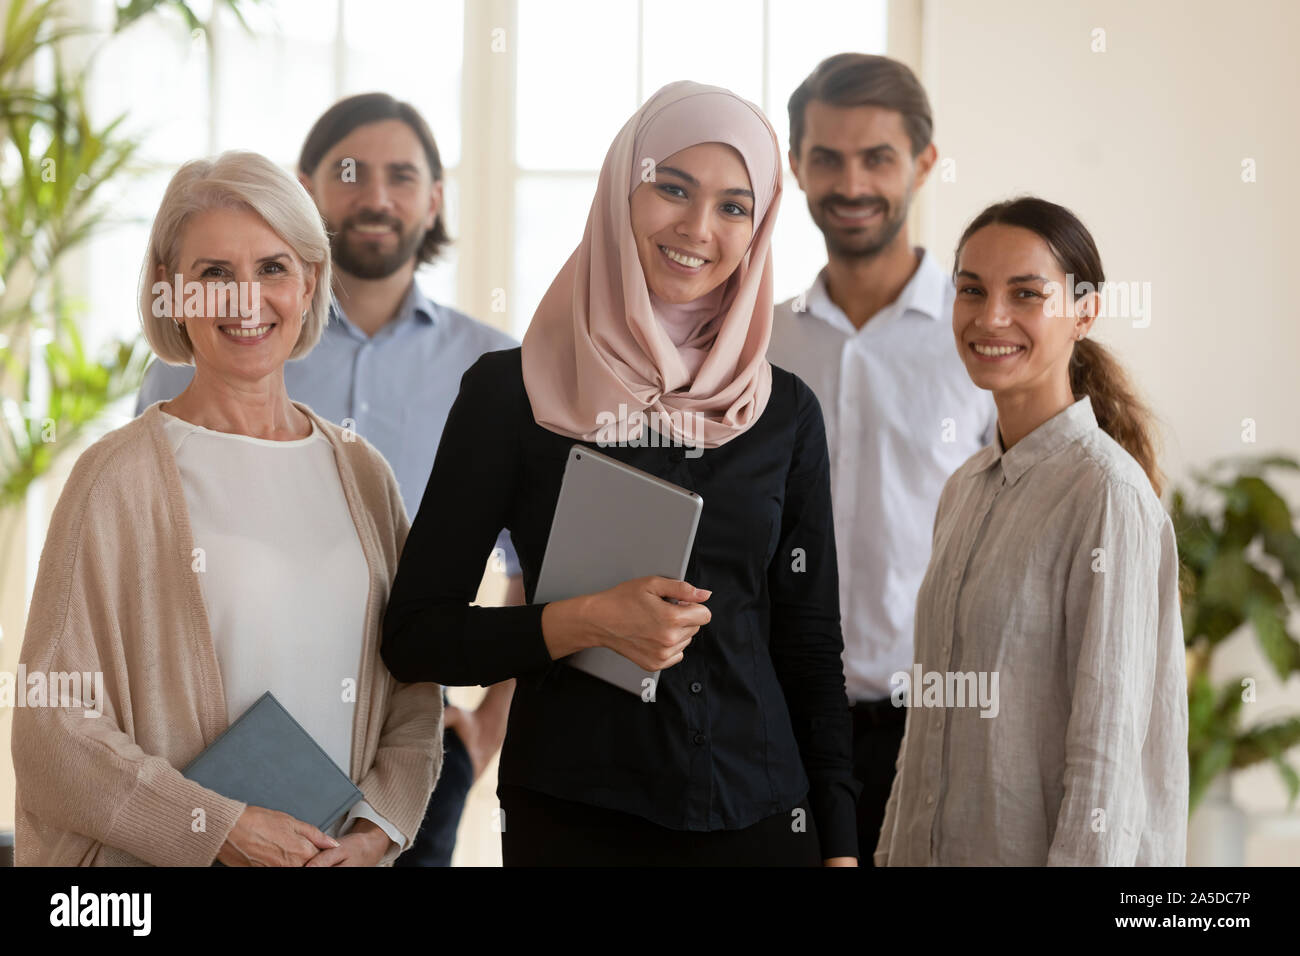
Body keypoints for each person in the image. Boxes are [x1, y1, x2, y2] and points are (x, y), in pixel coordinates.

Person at [382, 81, 859, 866]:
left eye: (735, 207)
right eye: (672, 188)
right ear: (621, 192)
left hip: (763, 819)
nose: (698, 228)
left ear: (762, 224)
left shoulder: (784, 412)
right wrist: (583, 621)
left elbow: (809, 642)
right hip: (577, 819)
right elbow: (417, 636)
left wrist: (839, 844)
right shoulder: (514, 392)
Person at [12, 151, 442, 866]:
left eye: (272, 268)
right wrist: (214, 827)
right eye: (214, 274)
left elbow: (414, 686)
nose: (246, 301)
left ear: (308, 283)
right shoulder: (115, 478)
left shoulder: (364, 474)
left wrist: (378, 831)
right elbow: (51, 729)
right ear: (171, 293)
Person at [134, 93, 521, 867]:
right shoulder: (220, 344)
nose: (376, 196)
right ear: (305, 189)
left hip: (405, 754)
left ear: (435, 197)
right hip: (213, 750)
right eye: (351, 173)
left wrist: (482, 733)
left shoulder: (494, 369)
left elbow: (533, 570)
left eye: (402, 176)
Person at [874, 197, 1188, 866]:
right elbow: (928, 727)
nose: (991, 317)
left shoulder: (1106, 495)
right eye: (971, 291)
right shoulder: (964, 487)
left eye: (1026, 294)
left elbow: (1107, 761)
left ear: (1084, 311)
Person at [768, 52, 997, 863]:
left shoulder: (981, 341)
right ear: (795, 164)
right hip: (781, 726)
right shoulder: (760, 341)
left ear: (924, 164)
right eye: (826, 157)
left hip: (942, 723)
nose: (851, 182)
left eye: (878, 158)